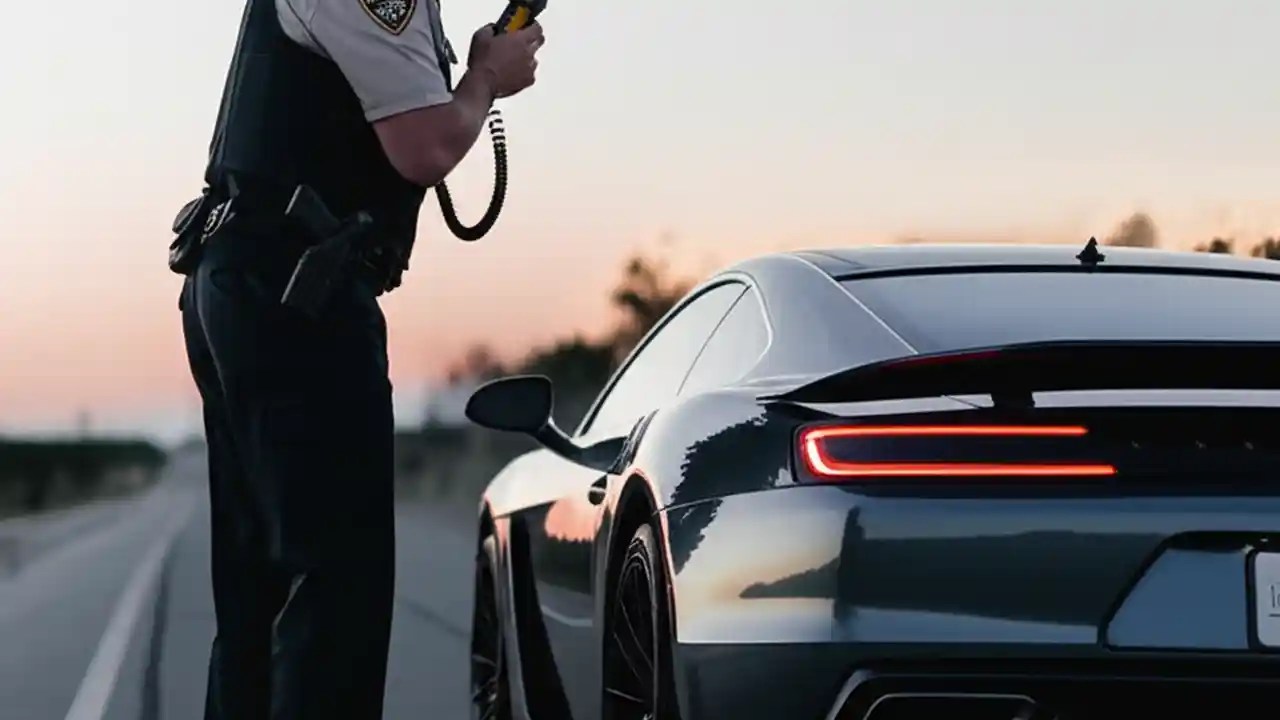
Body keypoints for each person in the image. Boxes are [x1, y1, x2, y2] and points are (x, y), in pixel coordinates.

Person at [174, 0, 544, 717]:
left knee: (261, 599)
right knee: (338, 591)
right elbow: (426, 145)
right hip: (295, 293)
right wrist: (486, 82)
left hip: (250, 279)